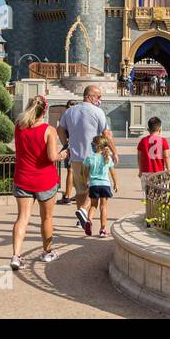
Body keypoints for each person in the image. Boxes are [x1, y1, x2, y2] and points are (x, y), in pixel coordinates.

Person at [10, 95, 64, 269]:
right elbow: (51, 157)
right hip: (44, 180)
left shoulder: (18, 127)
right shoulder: (49, 130)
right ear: (45, 111)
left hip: (23, 177)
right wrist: (64, 154)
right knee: (46, 217)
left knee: (22, 218)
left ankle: (16, 256)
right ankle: (47, 252)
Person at [59, 84, 116, 232]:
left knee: (80, 190)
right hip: (93, 157)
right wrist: (114, 152)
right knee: (94, 188)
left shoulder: (70, 111)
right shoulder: (98, 112)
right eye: (98, 97)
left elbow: (60, 129)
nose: (100, 99)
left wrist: (66, 144)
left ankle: (81, 220)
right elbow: (107, 134)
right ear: (90, 96)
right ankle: (84, 211)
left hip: (76, 158)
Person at [82, 134, 119, 237]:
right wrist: (115, 183)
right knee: (103, 207)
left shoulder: (89, 158)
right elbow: (112, 172)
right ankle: (102, 229)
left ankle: (89, 221)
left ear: (96, 146)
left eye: (92, 144)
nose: (91, 146)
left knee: (93, 205)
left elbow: (84, 172)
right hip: (105, 185)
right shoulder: (107, 158)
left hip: (93, 185)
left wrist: (86, 182)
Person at [137, 116, 170, 194]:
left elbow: (139, 157)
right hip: (159, 172)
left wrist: (140, 170)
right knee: (159, 193)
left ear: (148, 130)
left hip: (146, 171)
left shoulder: (143, 141)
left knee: (148, 195)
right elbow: (166, 156)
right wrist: (168, 170)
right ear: (160, 130)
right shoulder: (163, 140)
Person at [56, 100, 76, 205]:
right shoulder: (80, 116)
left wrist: (65, 143)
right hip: (82, 146)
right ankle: (79, 194)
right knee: (79, 171)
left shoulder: (66, 116)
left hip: (70, 145)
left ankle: (67, 196)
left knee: (71, 171)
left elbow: (59, 129)